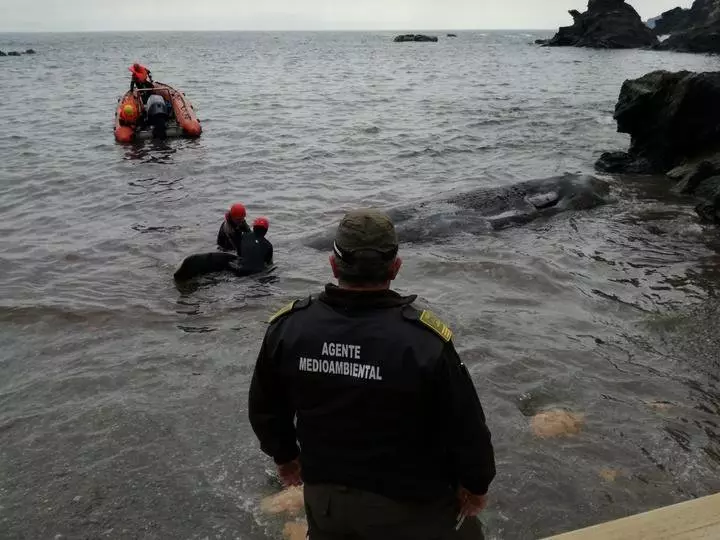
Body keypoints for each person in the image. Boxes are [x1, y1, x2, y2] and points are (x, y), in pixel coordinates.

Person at [249, 208, 496, 540]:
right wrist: (476, 484)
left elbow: (265, 407)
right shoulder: (423, 340)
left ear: (333, 264)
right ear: (396, 266)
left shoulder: (289, 327)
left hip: (327, 501)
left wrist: (285, 455)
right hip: (412, 503)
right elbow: (467, 428)